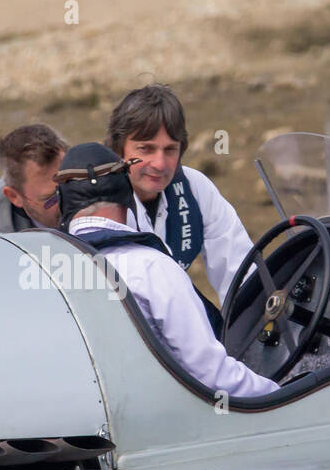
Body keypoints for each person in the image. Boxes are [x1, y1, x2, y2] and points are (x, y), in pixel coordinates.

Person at [58, 142, 279, 399]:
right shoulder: (153, 268)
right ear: (126, 193)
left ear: (63, 200)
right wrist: (283, 394)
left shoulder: (47, 270)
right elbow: (212, 376)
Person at [105, 84, 254, 306]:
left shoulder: (195, 188)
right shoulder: (97, 203)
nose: (160, 164)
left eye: (169, 149)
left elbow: (242, 276)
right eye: (145, 149)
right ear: (119, 150)